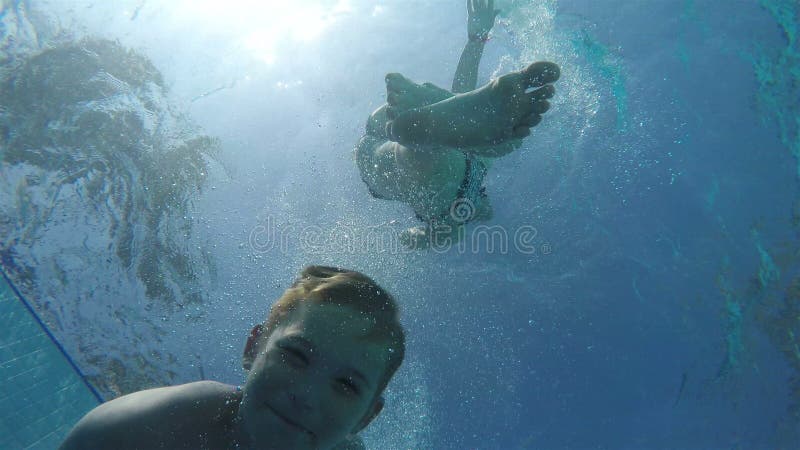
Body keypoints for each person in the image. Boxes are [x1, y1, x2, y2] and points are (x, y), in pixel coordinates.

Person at [60, 266, 405, 450]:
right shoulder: (153, 428)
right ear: (252, 348)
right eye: (296, 355)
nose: (307, 396)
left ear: (366, 418)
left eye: (346, 385)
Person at [355, 0, 560, 249]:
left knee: (410, 155)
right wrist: (416, 237)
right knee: (414, 162)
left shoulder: (482, 161)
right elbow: (436, 237)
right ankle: (422, 121)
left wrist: (476, 39)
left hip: (444, 165)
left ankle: (429, 106)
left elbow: (463, 94)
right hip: (443, 191)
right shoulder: (470, 191)